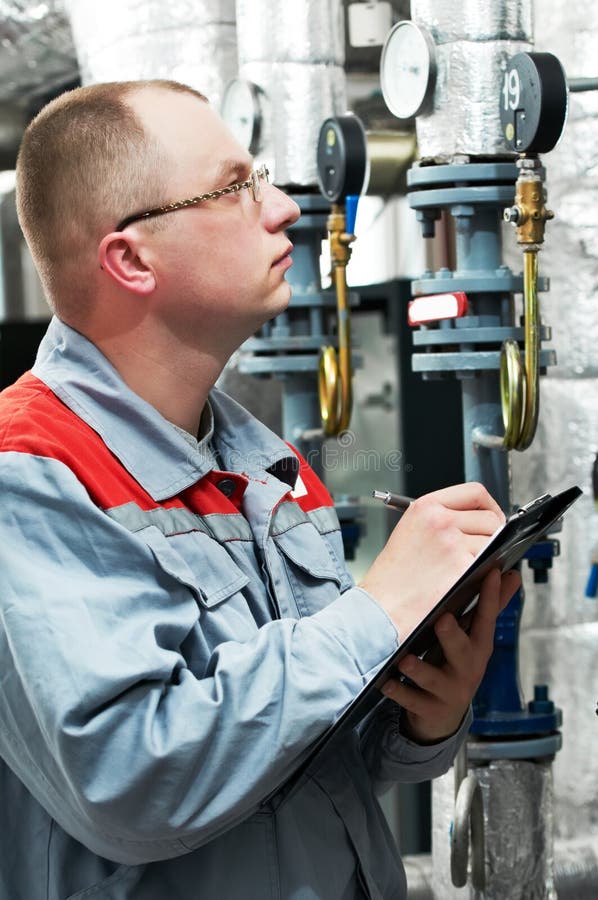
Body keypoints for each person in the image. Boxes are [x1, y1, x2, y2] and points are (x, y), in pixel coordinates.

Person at [0, 79, 520, 900]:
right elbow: (130, 782)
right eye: (237, 186)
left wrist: (424, 711)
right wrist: (376, 614)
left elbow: (309, 765)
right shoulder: (29, 474)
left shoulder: (265, 466)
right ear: (130, 258)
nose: (281, 209)